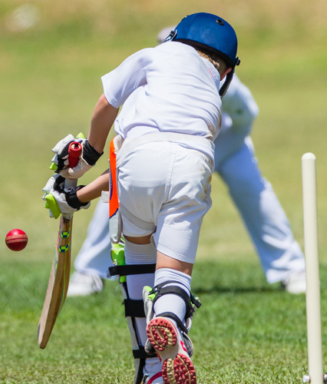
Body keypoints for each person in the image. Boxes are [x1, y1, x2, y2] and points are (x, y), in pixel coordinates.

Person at [43, 13, 240, 384]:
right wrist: (78, 196)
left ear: (175, 39)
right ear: (226, 70)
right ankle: (169, 319)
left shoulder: (153, 59)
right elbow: (166, 156)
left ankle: (152, 371)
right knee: (174, 273)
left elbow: (109, 108)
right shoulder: (207, 92)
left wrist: (86, 159)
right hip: (194, 164)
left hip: (137, 165)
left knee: (137, 258)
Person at [67, 28, 306, 298]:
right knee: (122, 189)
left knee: (254, 191)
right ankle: (89, 270)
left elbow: (246, 116)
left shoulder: (222, 80)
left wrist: (215, 152)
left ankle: (291, 268)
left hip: (228, 143)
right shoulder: (153, 75)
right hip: (171, 147)